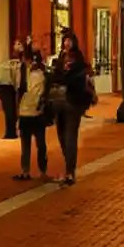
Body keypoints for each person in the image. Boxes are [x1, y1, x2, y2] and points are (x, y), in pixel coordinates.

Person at [51, 29, 91, 186]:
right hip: (58, 102)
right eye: (65, 40)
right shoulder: (60, 58)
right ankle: (68, 166)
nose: (66, 43)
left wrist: (66, 75)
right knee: (61, 135)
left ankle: (70, 172)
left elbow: (78, 78)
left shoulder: (79, 60)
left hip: (73, 102)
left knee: (70, 136)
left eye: (69, 40)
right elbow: (55, 76)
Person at [15, 50, 51, 181]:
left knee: (37, 144)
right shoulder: (25, 73)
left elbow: (20, 92)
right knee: (31, 144)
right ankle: (29, 171)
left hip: (34, 112)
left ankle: (36, 171)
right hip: (28, 111)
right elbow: (19, 91)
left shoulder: (40, 74)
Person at [0, 39, 26, 140]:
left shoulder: (23, 57)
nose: (18, 46)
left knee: (17, 109)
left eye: (20, 44)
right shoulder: (8, 56)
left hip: (16, 85)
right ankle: (10, 132)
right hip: (4, 84)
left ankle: (15, 131)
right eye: (16, 44)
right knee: (9, 110)